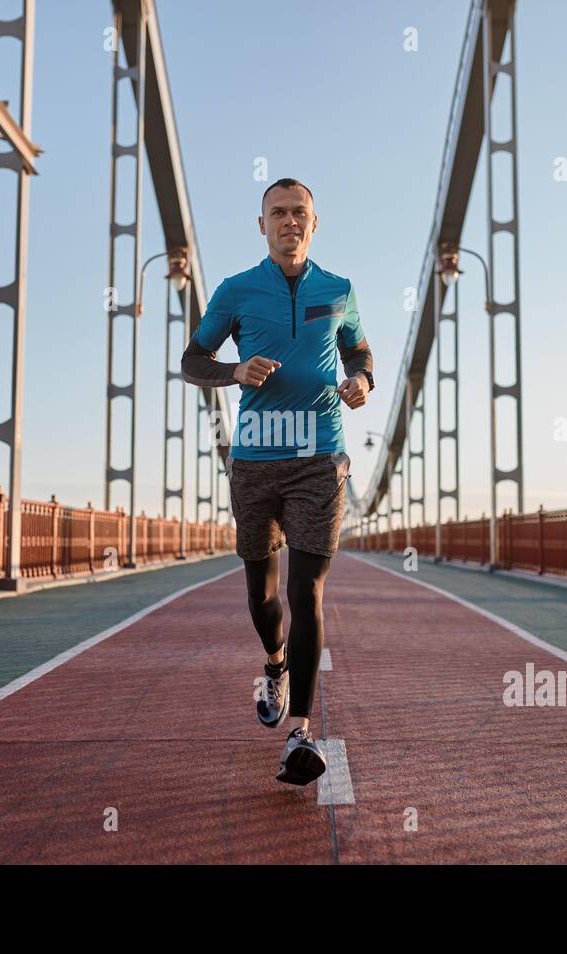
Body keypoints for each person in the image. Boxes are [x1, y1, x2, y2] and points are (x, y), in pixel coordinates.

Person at [181, 177, 374, 785]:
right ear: (261, 224)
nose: (289, 221)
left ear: (315, 223)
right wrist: (235, 368)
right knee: (264, 598)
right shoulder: (237, 291)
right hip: (257, 461)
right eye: (278, 213)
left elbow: (360, 355)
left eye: (299, 213)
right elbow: (192, 362)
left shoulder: (339, 290)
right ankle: (274, 661)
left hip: (321, 456)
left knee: (306, 592)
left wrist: (363, 382)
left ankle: (300, 733)